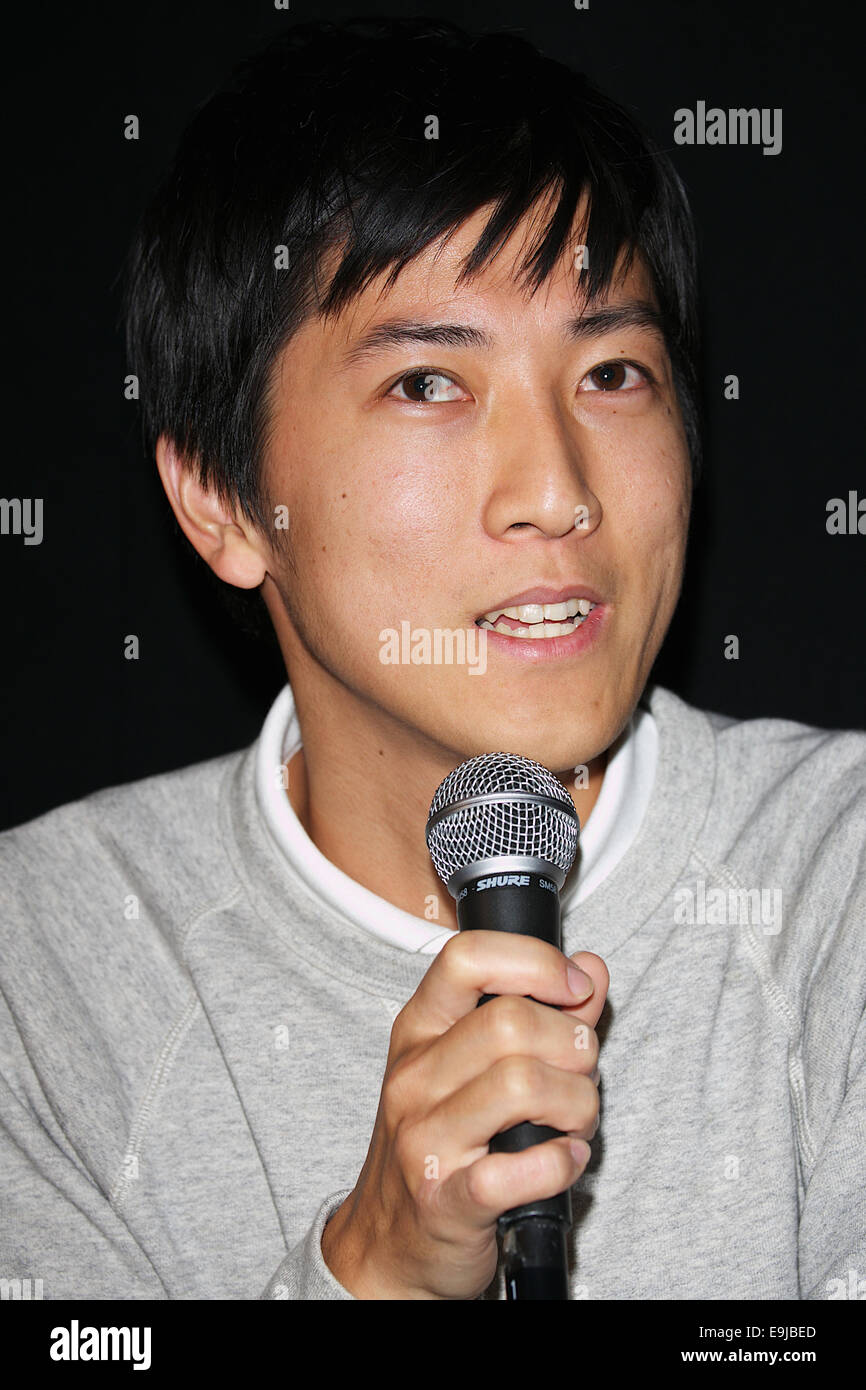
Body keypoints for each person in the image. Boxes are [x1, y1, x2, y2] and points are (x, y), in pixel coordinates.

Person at [1, 15, 863, 1302]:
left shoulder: (835, 875)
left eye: (612, 370)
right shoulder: (47, 963)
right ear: (222, 502)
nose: (554, 492)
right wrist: (369, 1276)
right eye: (427, 385)